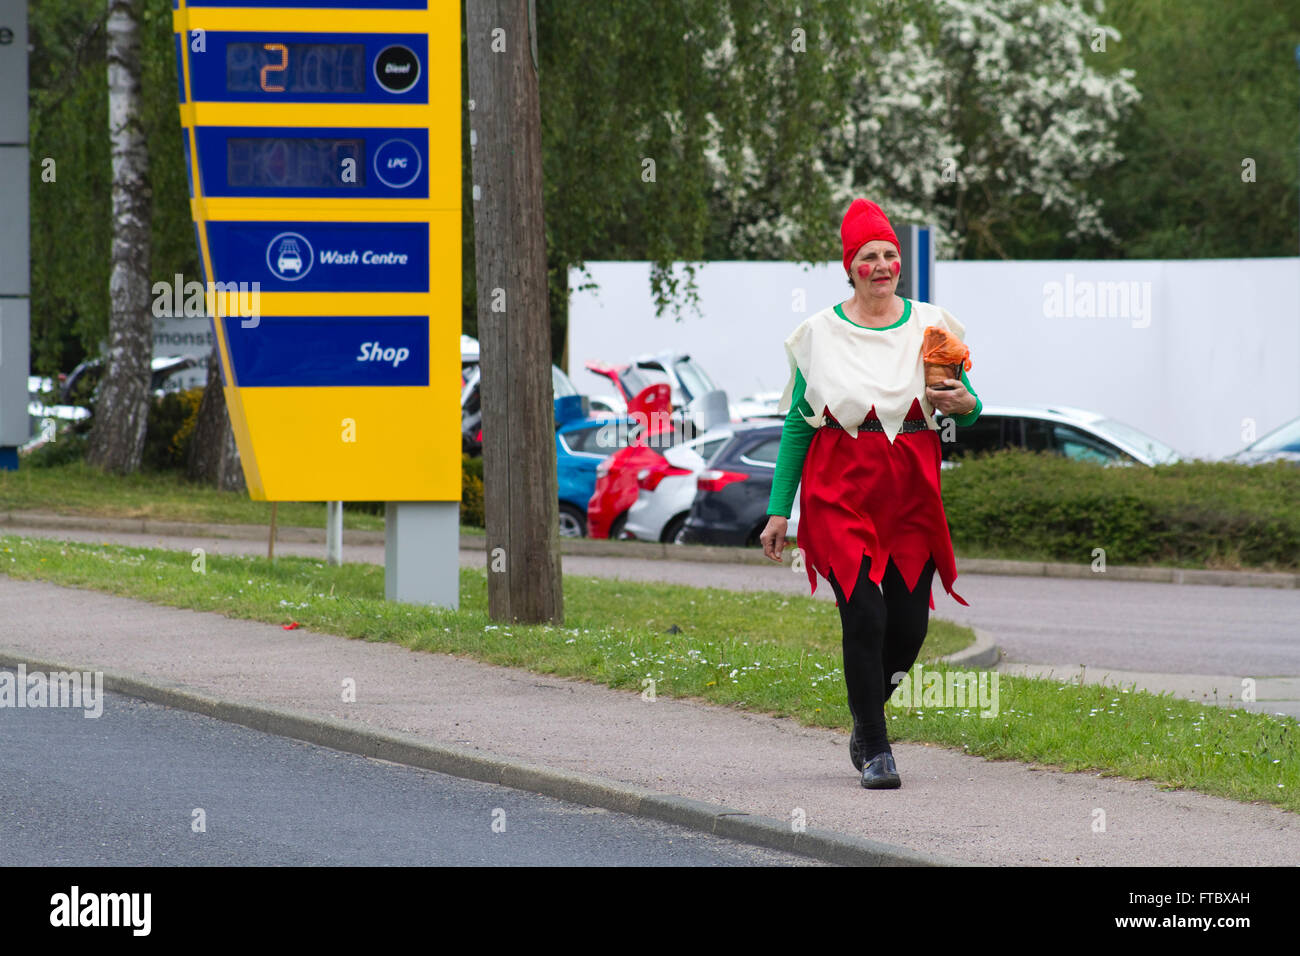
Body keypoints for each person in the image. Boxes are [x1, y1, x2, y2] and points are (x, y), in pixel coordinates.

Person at [757, 198, 982, 790]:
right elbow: (799, 425)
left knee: (908, 629)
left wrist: (970, 406)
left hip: (910, 488)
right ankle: (877, 750)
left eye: (889, 255)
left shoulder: (933, 326)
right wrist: (781, 509)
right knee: (865, 613)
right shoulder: (820, 335)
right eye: (868, 257)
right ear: (849, 267)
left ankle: (865, 719)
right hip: (840, 487)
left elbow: (965, 398)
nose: (881, 265)